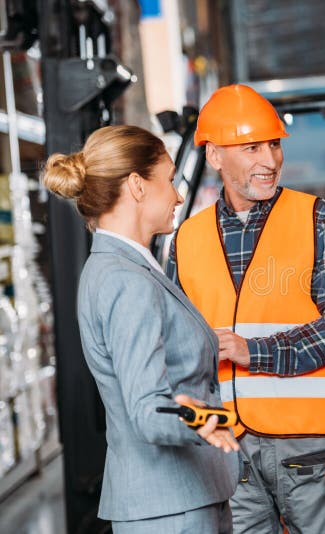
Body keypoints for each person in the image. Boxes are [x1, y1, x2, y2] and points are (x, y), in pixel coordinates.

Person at [166, 84, 325, 534]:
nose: (270, 160)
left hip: (310, 451)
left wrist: (253, 351)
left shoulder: (317, 218)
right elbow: (176, 344)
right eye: (252, 147)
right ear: (215, 156)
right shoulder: (187, 238)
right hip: (228, 453)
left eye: (274, 144)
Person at [42, 125, 239, 533]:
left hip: (180, 498)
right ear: (136, 186)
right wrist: (198, 416)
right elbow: (148, 408)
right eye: (168, 181)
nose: (178, 195)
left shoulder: (125, 268)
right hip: (172, 507)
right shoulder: (125, 279)